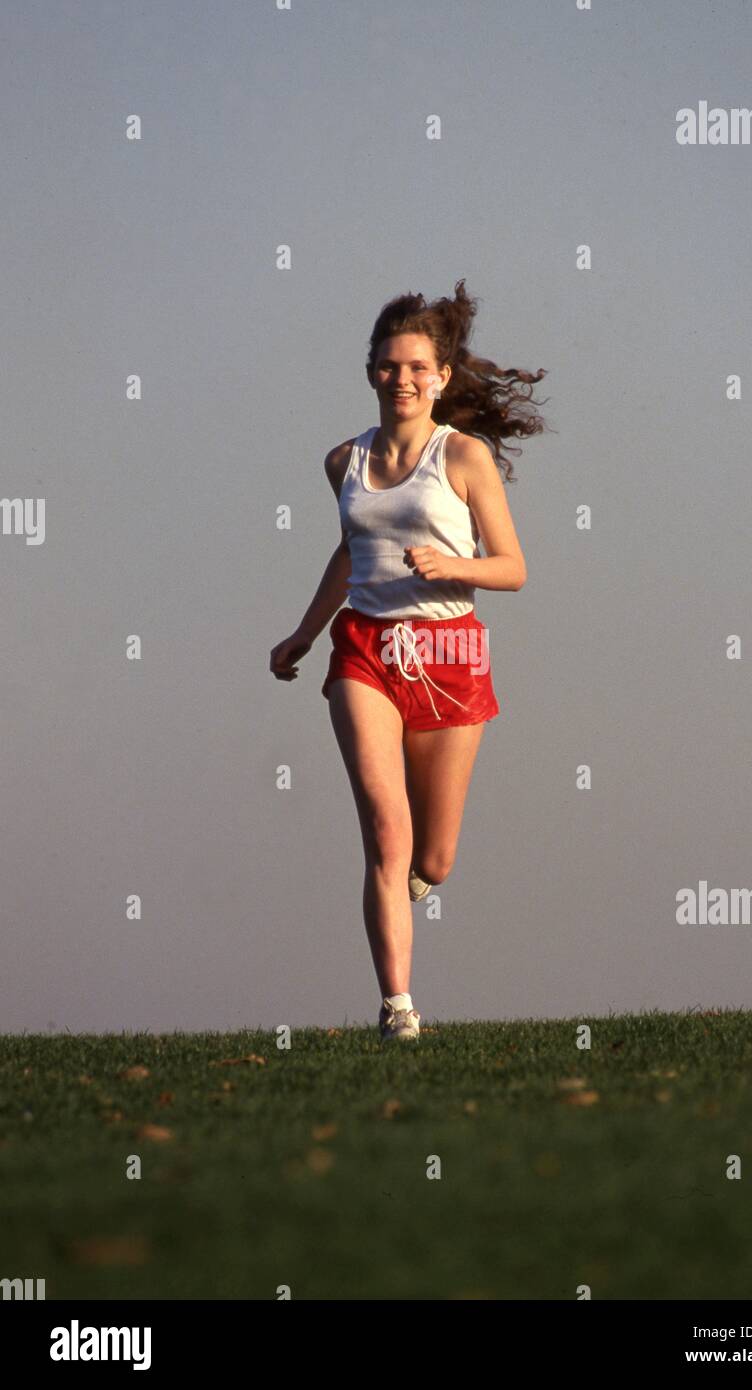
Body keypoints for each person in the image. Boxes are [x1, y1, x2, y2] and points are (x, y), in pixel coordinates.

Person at [270, 279, 548, 1043]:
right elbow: (350, 551)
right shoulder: (342, 461)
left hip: (452, 655)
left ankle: (404, 886)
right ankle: (398, 1009)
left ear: (443, 377)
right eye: (389, 367)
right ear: (370, 373)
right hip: (366, 650)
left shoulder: (464, 456)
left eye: (418, 368)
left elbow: (514, 566)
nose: (403, 379)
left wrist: (449, 566)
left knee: (436, 856)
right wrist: (304, 632)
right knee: (386, 837)